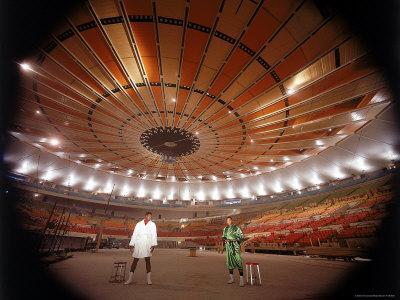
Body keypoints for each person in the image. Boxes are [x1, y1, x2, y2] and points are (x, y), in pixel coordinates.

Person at [124, 212, 157, 285]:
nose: (149, 217)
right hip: (138, 243)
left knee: (147, 260)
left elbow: (154, 235)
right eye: (148, 216)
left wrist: (153, 244)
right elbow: (135, 234)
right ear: (145, 216)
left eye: (150, 216)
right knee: (135, 260)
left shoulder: (153, 224)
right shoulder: (139, 224)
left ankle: (149, 279)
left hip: (147, 244)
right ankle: (130, 279)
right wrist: (132, 244)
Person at [222, 216, 244, 287]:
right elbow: (223, 237)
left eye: (229, 220)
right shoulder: (225, 229)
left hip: (235, 247)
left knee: (238, 261)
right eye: (227, 220)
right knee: (229, 262)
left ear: (232, 221)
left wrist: (234, 240)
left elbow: (241, 237)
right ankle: (231, 278)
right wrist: (225, 240)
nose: (228, 221)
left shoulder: (236, 228)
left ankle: (241, 280)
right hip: (228, 247)